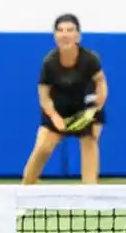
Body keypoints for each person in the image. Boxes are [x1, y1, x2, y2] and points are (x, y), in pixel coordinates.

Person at [22, 14, 109, 184]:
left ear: (78, 35)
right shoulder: (49, 63)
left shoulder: (90, 59)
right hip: (57, 110)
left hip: (85, 109)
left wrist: (100, 102)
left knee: (90, 141)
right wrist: (55, 118)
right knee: (43, 148)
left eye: (70, 30)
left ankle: (90, 193)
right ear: (55, 36)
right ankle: (25, 188)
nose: (65, 34)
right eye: (60, 30)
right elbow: (44, 96)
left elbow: (100, 81)